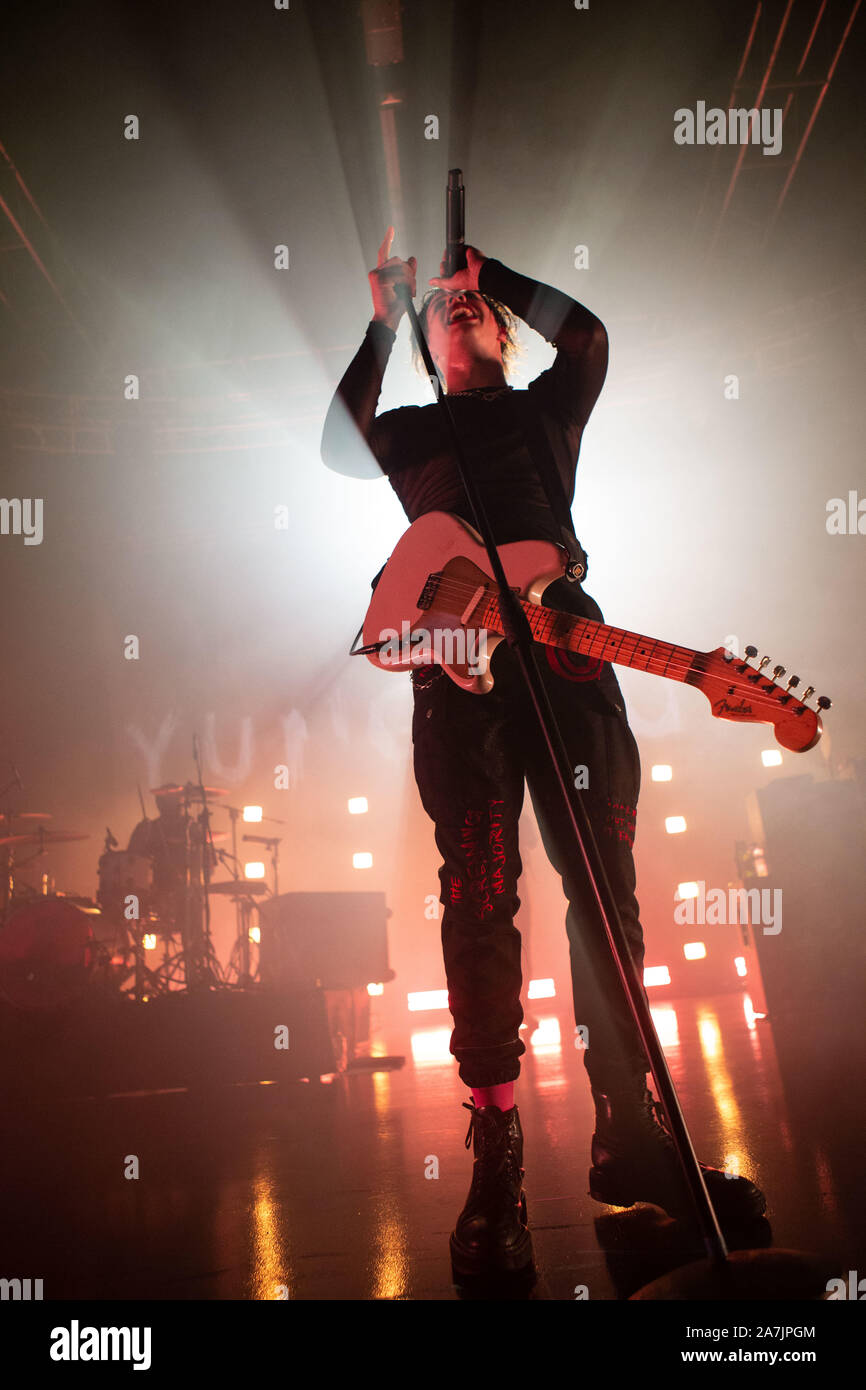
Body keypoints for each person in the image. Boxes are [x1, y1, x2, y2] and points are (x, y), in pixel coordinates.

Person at [321, 227, 766, 1278]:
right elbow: (341, 438)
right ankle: (497, 1161)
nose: (456, 306)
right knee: (478, 890)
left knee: (602, 895)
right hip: (454, 668)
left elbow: (593, 338)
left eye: (470, 303)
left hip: (566, 656)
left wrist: (497, 276)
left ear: (503, 331)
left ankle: (632, 1135)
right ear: (426, 340)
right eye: (443, 306)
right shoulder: (413, 430)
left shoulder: (542, 410)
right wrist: (383, 319)